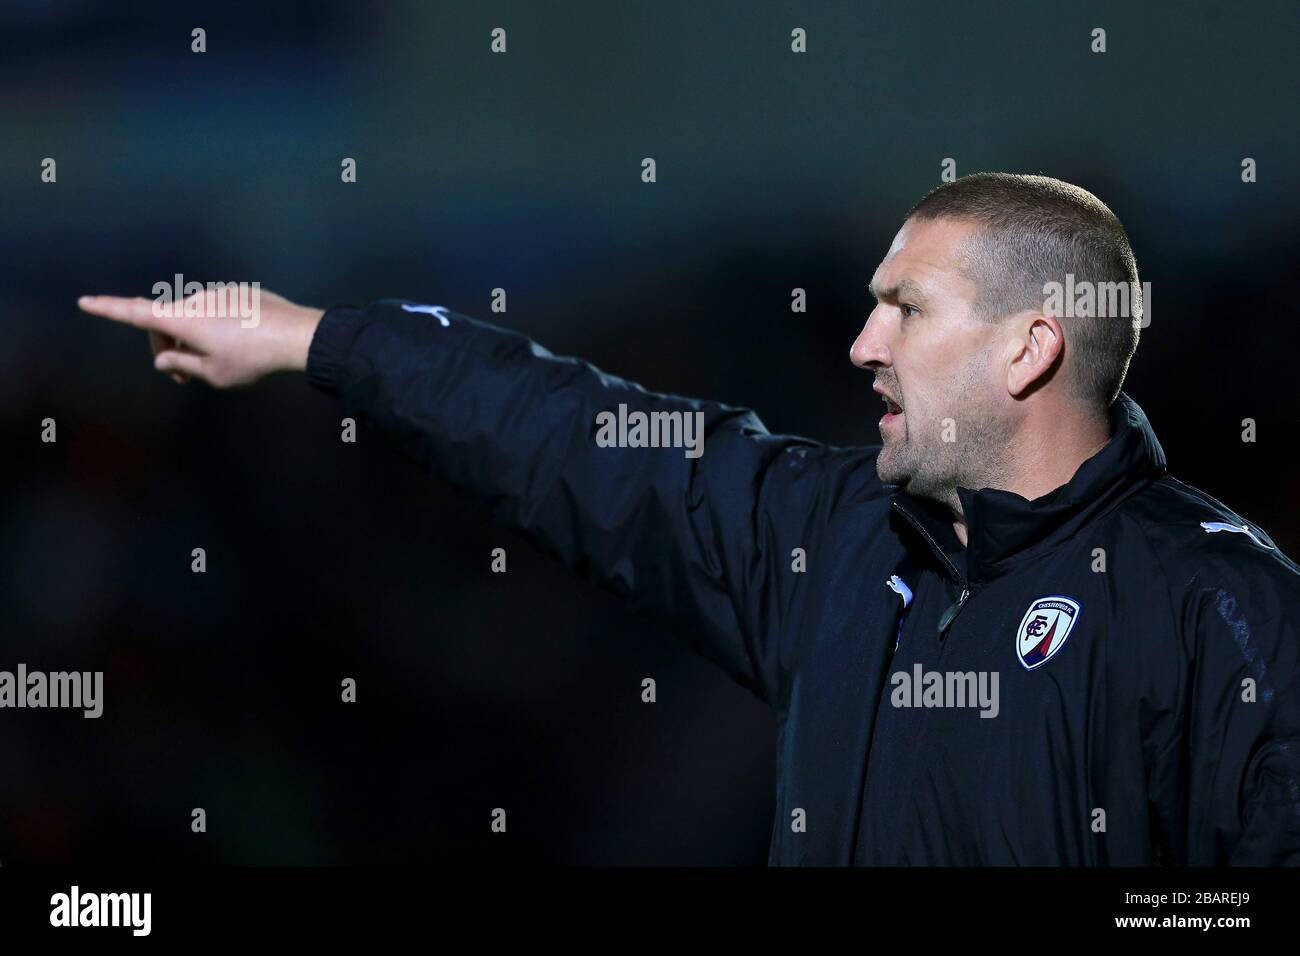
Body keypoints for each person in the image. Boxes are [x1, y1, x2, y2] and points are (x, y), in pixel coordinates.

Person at [79, 172, 1300, 865]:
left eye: (907, 310)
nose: (863, 342)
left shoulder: (1221, 604)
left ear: (1031, 347)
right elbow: (567, 428)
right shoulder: (828, 540)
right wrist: (318, 340)